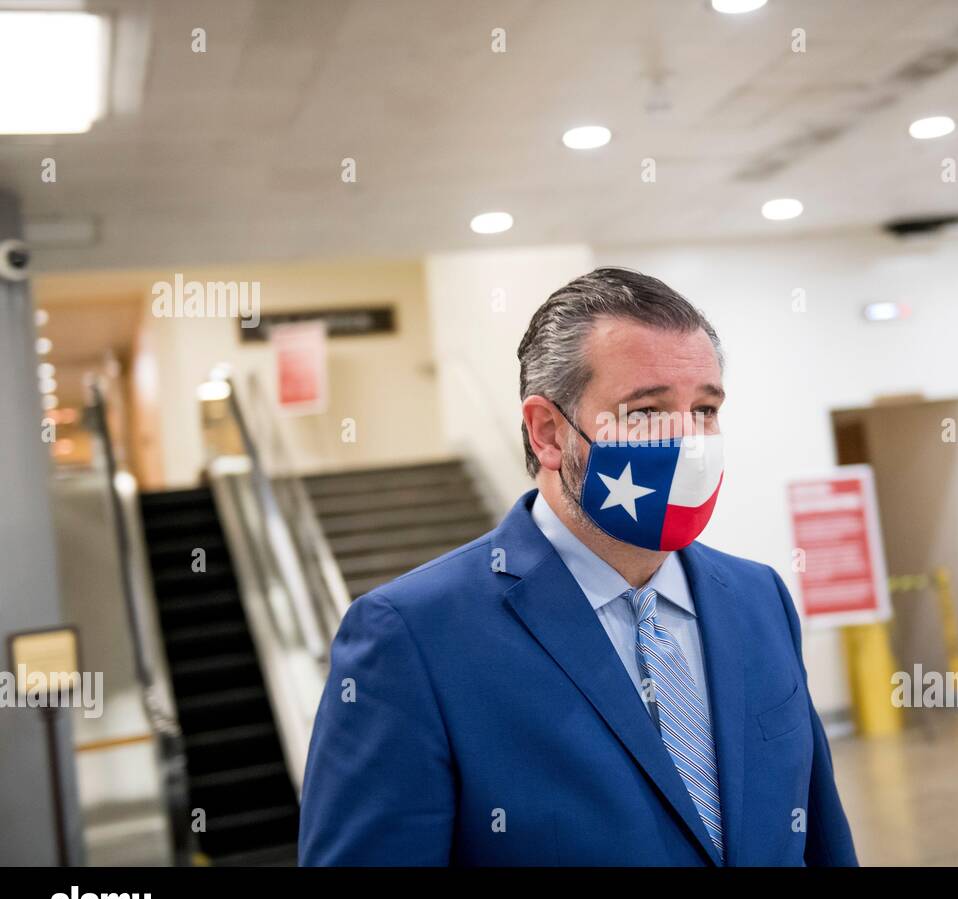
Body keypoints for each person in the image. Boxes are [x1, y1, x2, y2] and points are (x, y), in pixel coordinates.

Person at [298, 267, 858, 866]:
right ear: (548, 432)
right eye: (645, 412)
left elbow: (820, 840)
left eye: (705, 409)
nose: (689, 441)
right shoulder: (412, 639)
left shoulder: (758, 598)